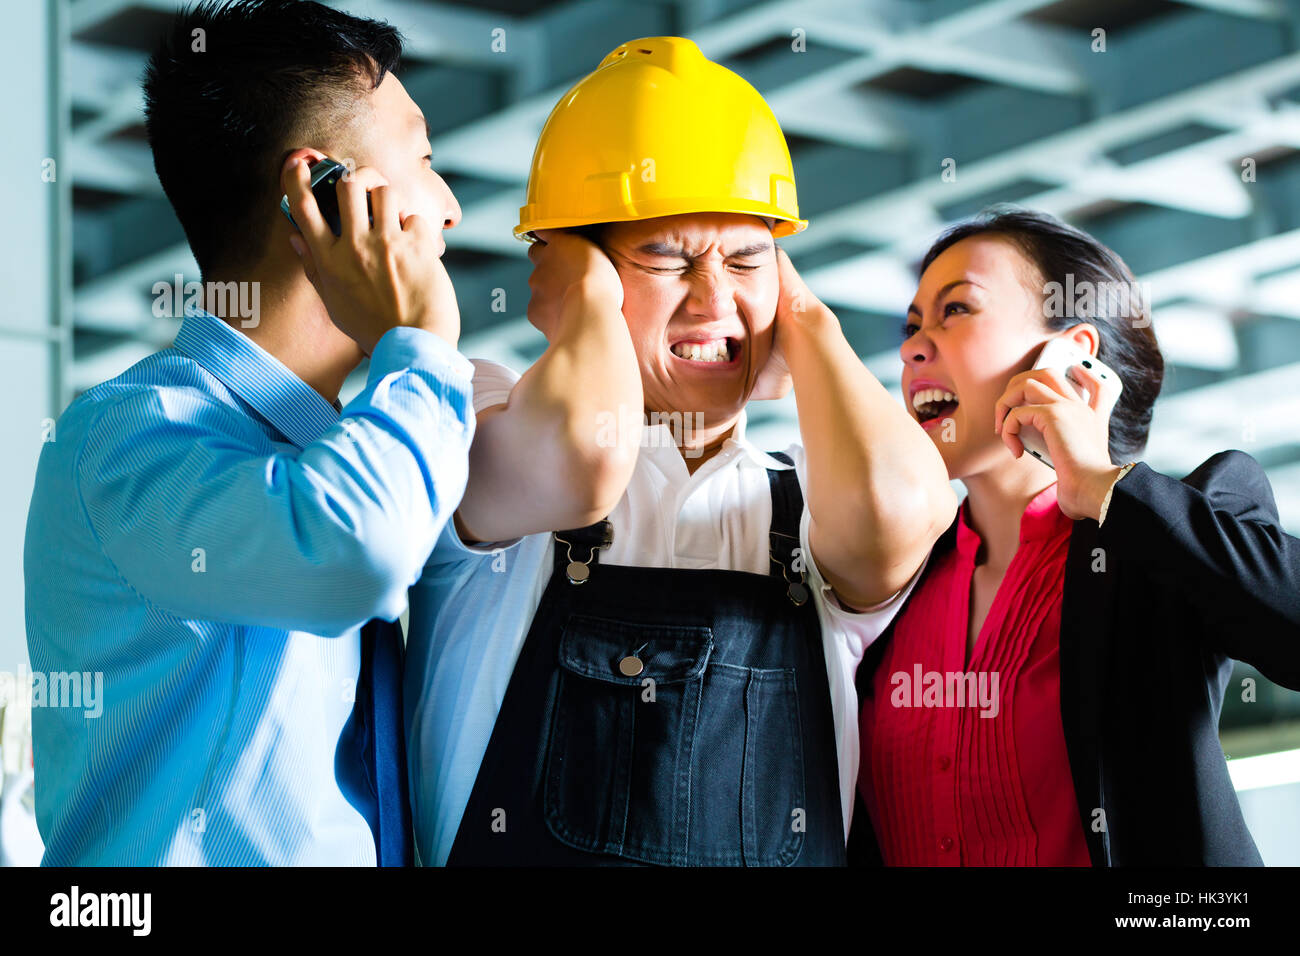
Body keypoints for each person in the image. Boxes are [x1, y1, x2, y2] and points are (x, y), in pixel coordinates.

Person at [395, 36, 957, 867]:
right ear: (567, 264)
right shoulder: (476, 412)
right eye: (665, 255)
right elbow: (576, 456)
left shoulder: (807, 502)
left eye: (747, 258)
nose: (714, 298)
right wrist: (584, 289)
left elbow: (898, 512)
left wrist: (801, 319)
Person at [24, 0, 467, 865]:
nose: (449, 209)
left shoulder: (379, 436)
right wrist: (419, 346)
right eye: (422, 159)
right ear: (321, 191)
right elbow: (353, 550)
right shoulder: (127, 437)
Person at [851, 207, 1300, 866]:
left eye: (957, 311)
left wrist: (1097, 483)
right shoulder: (892, 578)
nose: (912, 347)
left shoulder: (1172, 524)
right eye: (913, 325)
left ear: (1072, 355)